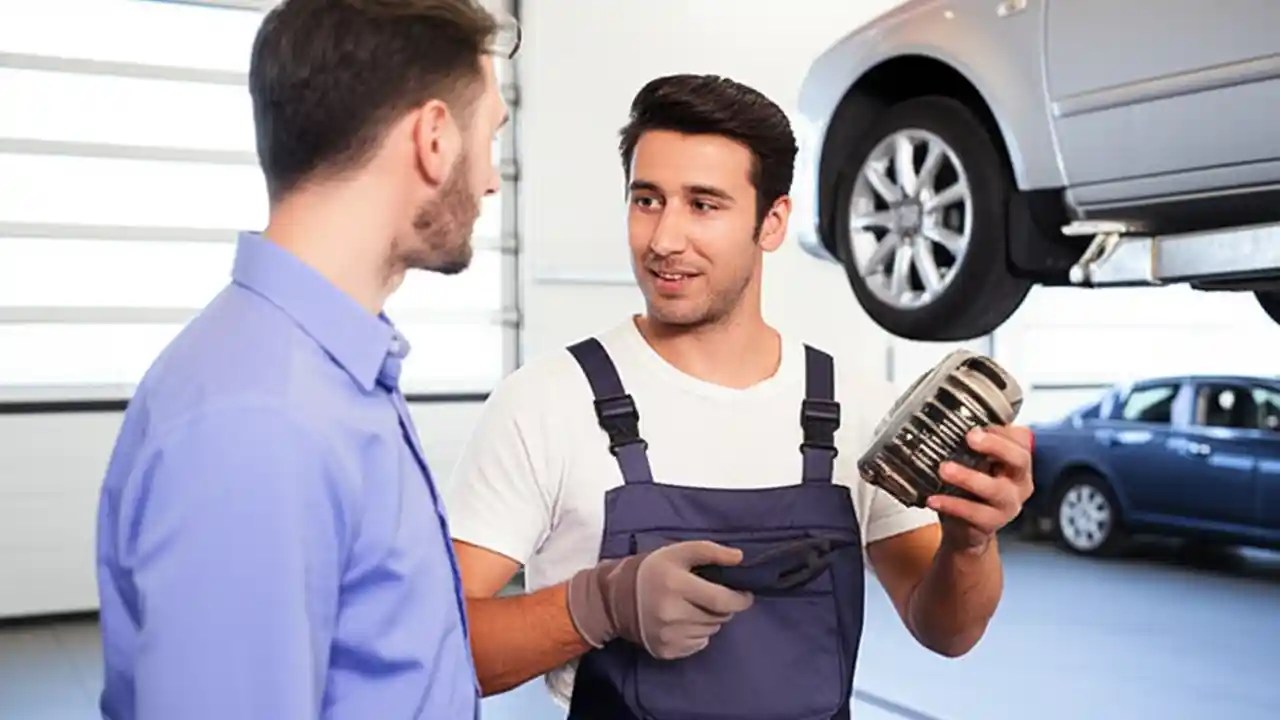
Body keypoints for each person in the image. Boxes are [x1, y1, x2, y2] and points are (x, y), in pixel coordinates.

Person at [445, 73, 1034, 719]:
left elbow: (948, 631)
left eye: (703, 205)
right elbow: (443, 646)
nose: (664, 239)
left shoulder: (854, 409)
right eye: (647, 200)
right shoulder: (545, 403)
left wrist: (969, 544)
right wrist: (599, 604)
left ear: (772, 222)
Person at [94, 1, 517, 718]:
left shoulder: (324, 372)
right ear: (435, 138)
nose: (491, 181)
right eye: (491, 136)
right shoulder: (260, 421)